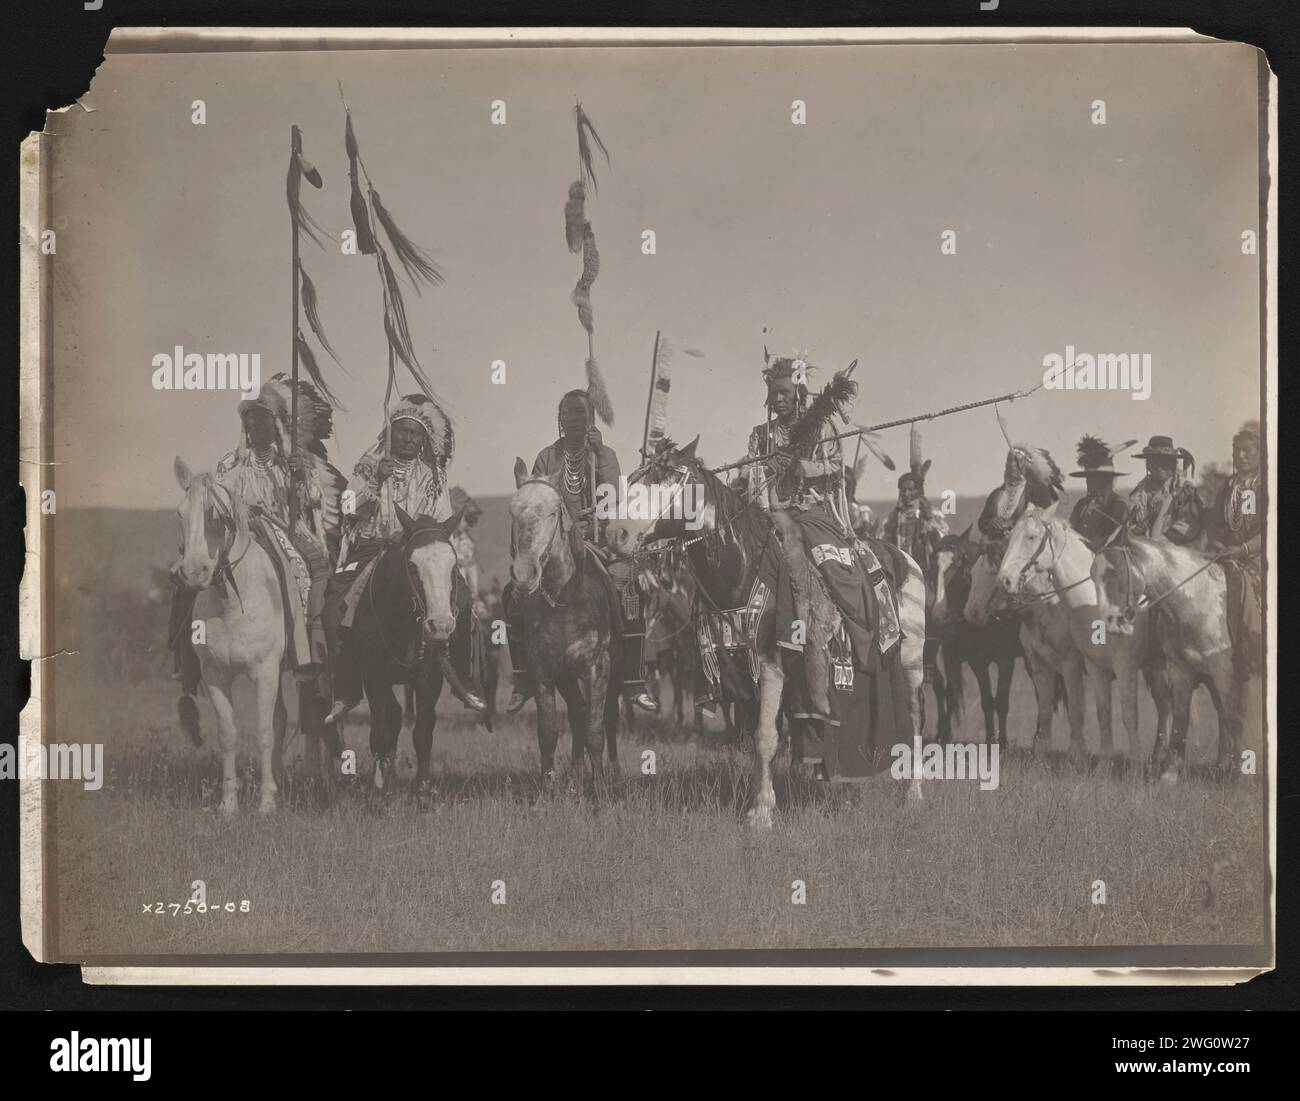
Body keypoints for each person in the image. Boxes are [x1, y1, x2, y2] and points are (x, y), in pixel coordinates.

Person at [169, 375, 341, 742]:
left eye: (262, 417)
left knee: (311, 570)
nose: (255, 424)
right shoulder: (230, 464)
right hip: (239, 534)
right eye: (250, 417)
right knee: (186, 577)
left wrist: (299, 479)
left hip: (285, 530)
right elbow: (213, 504)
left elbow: (314, 502)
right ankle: (186, 659)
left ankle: (309, 648)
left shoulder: (295, 462)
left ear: (276, 422)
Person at [324, 394, 485, 724]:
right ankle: (346, 690)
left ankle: (465, 682)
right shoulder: (368, 465)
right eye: (402, 432)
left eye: (415, 434)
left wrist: (425, 540)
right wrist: (375, 481)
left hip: (419, 552)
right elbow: (347, 507)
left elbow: (441, 520)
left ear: (423, 438)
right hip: (373, 548)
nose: (408, 439)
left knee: (464, 601)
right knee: (336, 605)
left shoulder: (434, 476)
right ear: (391, 432)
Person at [504, 389, 659, 714]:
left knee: (629, 588)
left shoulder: (605, 454)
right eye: (568, 413)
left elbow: (614, 500)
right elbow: (535, 501)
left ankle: (633, 680)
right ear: (559, 419)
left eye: (580, 413)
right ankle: (522, 678)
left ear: (591, 418)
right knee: (512, 593)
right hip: (555, 546)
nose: (573, 418)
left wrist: (599, 454)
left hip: (597, 543)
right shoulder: (547, 457)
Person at [1207, 421, 1263, 681]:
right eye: (1236, 452)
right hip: (1226, 558)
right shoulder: (1228, 487)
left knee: (1251, 610)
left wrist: (1242, 549)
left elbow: (1271, 530)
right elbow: (1215, 525)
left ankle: (1256, 656)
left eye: (1247, 451)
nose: (1240, 456)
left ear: (1260, 453)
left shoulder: (1266, 485)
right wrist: (1219, 547)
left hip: (1258, 559)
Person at [1126, 435, 1203, 545]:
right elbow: (1129, 523)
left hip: (1178, 552)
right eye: (1155, 461)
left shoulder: (1184, 491)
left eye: (1165, 461)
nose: (1160, 467)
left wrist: (1160, 540)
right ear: (1148, 465)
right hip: (1144, 549)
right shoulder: (1138, 494)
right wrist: (1135, 530)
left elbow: (1188, 525)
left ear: (1174, 464)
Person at [978, 444, 1063, 540]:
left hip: (1023, 549)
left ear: (1026, 465)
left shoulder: (1035, 491)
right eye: (1009, 460)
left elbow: (1044, 519)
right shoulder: (996, 495)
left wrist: (1013, 523)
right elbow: (982, 522)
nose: (1012, 464)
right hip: (995, 549)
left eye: (1017, 460)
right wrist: (990, 523)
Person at [883, 468, 948, 579]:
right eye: (903, 489)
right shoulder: (894, 517)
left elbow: (942, 543)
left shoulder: (932, 515)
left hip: (925, 571)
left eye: (910, 489)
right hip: (900, 570)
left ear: (918, 491)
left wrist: (928, 527)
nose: (906, 493)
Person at [1067, 435, 1129, 550]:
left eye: (1096, 479)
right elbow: (1071, 531)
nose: (1090, 482)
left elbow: (1113, 539)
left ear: (1107, 480)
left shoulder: (1118, 504)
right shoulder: (1082, 505)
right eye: (1088, 478)